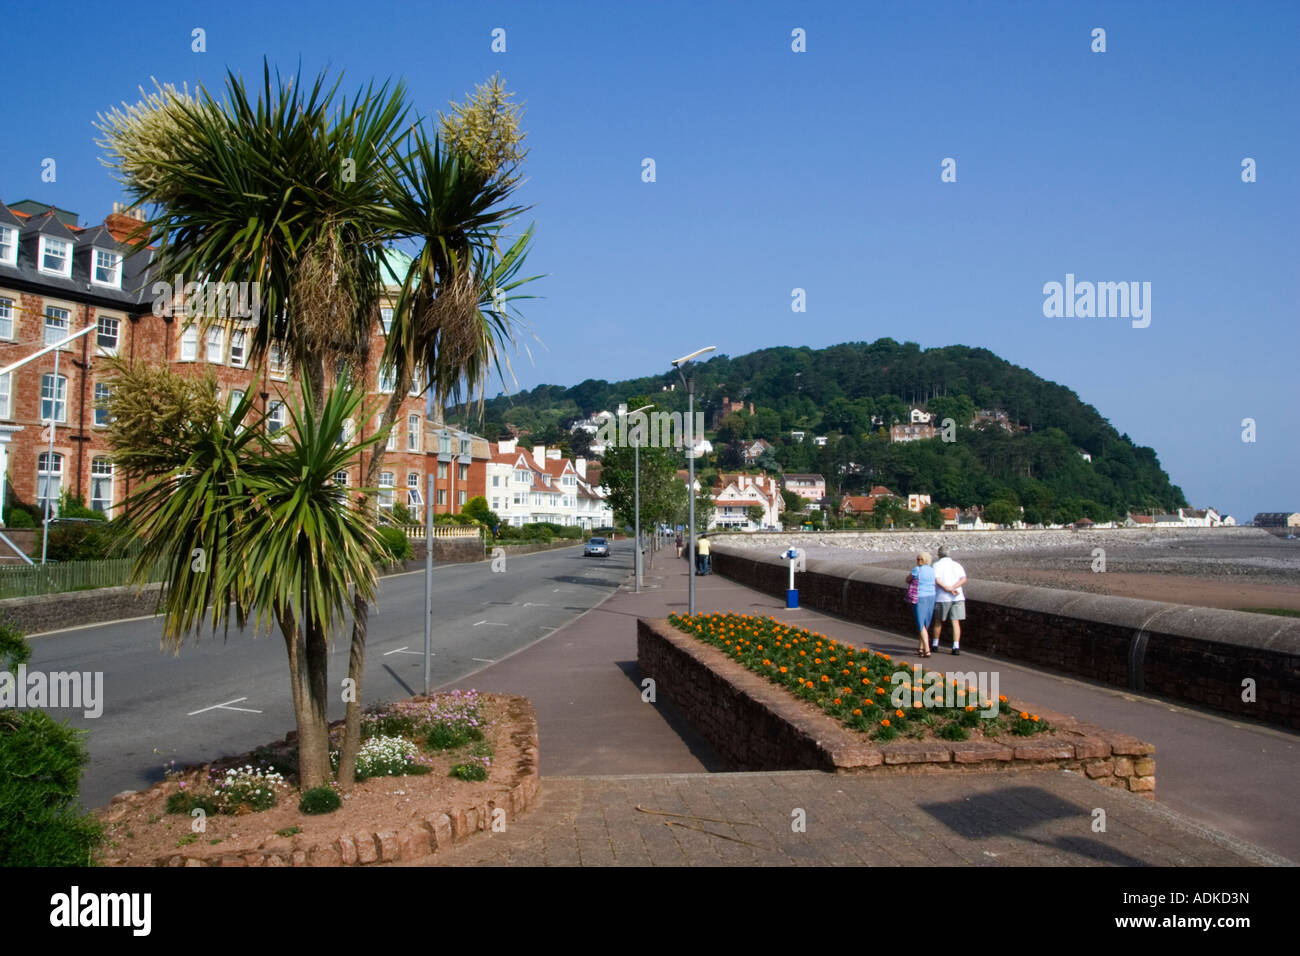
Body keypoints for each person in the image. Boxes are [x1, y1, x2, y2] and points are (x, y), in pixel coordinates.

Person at [931, 545, 967, 655]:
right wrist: (953, 587)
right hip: (958, 596)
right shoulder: (957, 565)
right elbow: (964, 579)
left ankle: (935, 644)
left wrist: (947, 588)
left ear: (939, 554)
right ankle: (956, 647)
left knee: (938, 621)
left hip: (942, 597)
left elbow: (936, 580)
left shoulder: (936, 565)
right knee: (955, 622)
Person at [907, 551, 937, 657]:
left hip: (919, 597)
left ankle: (927, 649)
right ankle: (920, 648)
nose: (918, 561)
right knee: (925, 623)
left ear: (926, 560)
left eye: (920, 559)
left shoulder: (917, 570)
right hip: (931, 597)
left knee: (920, 623)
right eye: (917, 559)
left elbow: (908, 579)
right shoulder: (932, 570)